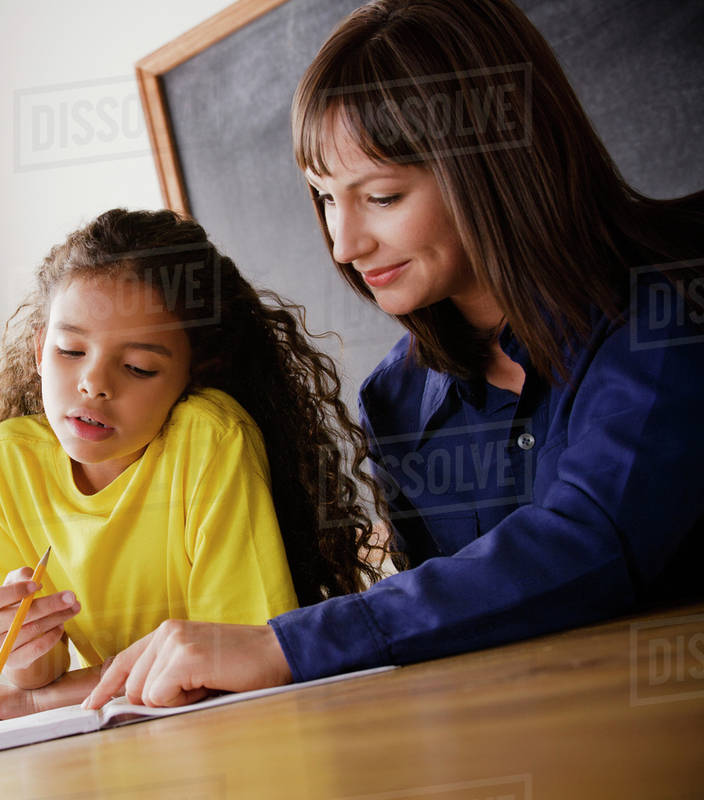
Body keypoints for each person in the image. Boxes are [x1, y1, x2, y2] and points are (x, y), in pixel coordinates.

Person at [84, 0, 704, 710]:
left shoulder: (671, 301)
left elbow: (591, 543)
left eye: (381, 196)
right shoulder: (394, 401)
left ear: (495, 162)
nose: (345, 244)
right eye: (325, 198)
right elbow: (442, 634)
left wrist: (289, 645)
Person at [0, 208, 386, 726]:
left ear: (195, 372)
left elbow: (224, 662)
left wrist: (36, 701)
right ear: (39, 349)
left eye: (138, 368)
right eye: (70, 350)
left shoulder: (209, 439)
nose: (94, 384)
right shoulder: (8, 461)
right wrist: (23, 649)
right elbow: (38, 672)